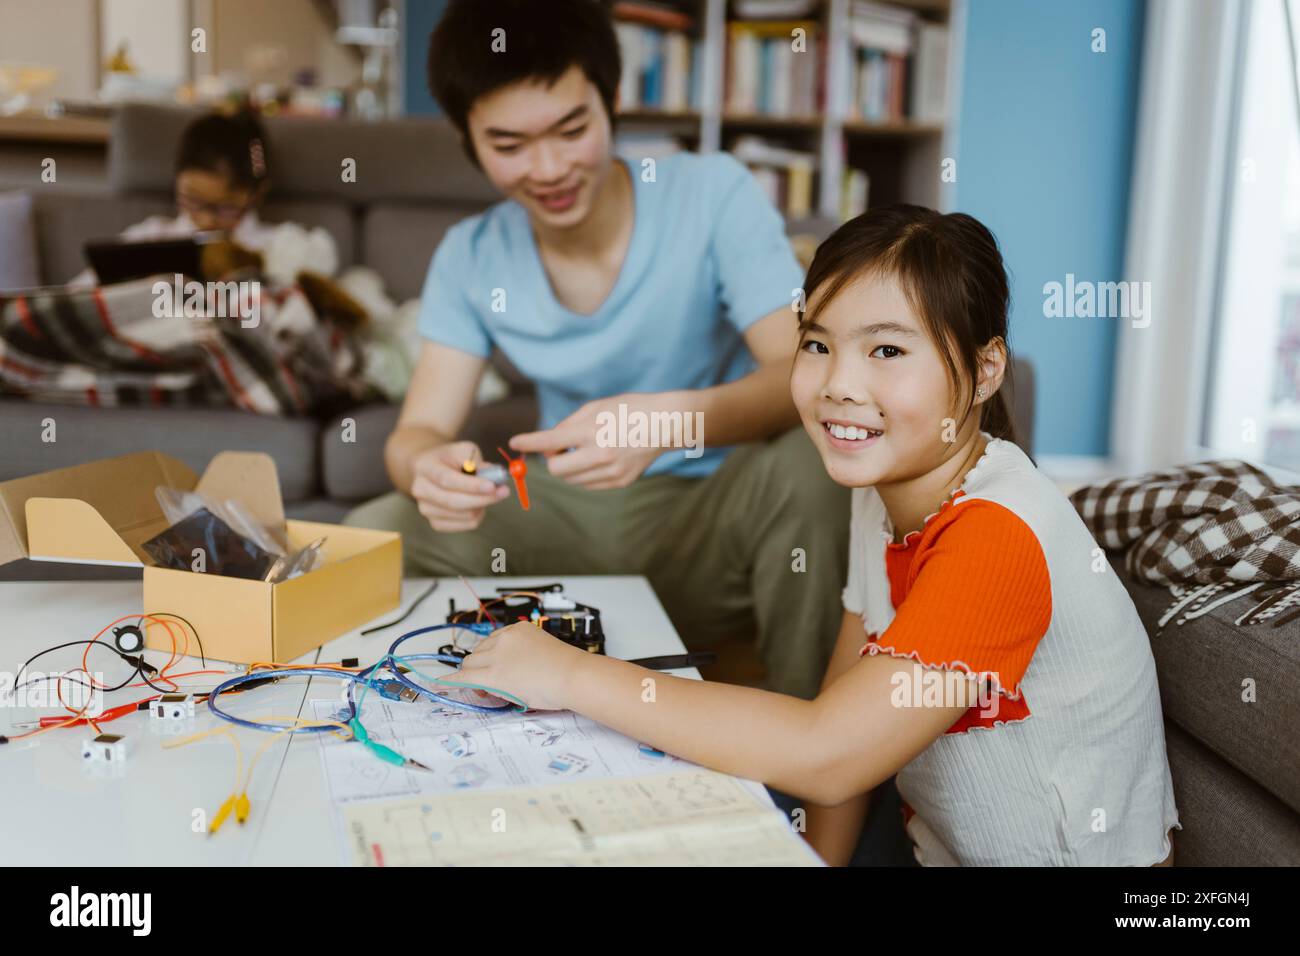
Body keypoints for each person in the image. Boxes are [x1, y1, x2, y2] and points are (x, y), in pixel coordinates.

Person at [447, 204, 1183, 867]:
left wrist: (572, 675)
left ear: (986, 369)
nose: (837, 385)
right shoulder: (881, 492)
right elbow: (838, 711)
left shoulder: (998, 535)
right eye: (817, 345)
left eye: (887, 351)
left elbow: (828, 753)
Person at [345, 0, 851, 702]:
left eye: (572, 129)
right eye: (509, 144)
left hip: (718, 510)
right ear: (468, 140)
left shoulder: (712, 194)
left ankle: (811, 737)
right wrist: (426, 468)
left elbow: (805, 374)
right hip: (570, 515)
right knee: (371, 533)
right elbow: (418, 433)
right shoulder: (471, 254)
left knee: (817, 464)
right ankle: (415, 710)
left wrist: (670, 423)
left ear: (612, 101)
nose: (549, 168)